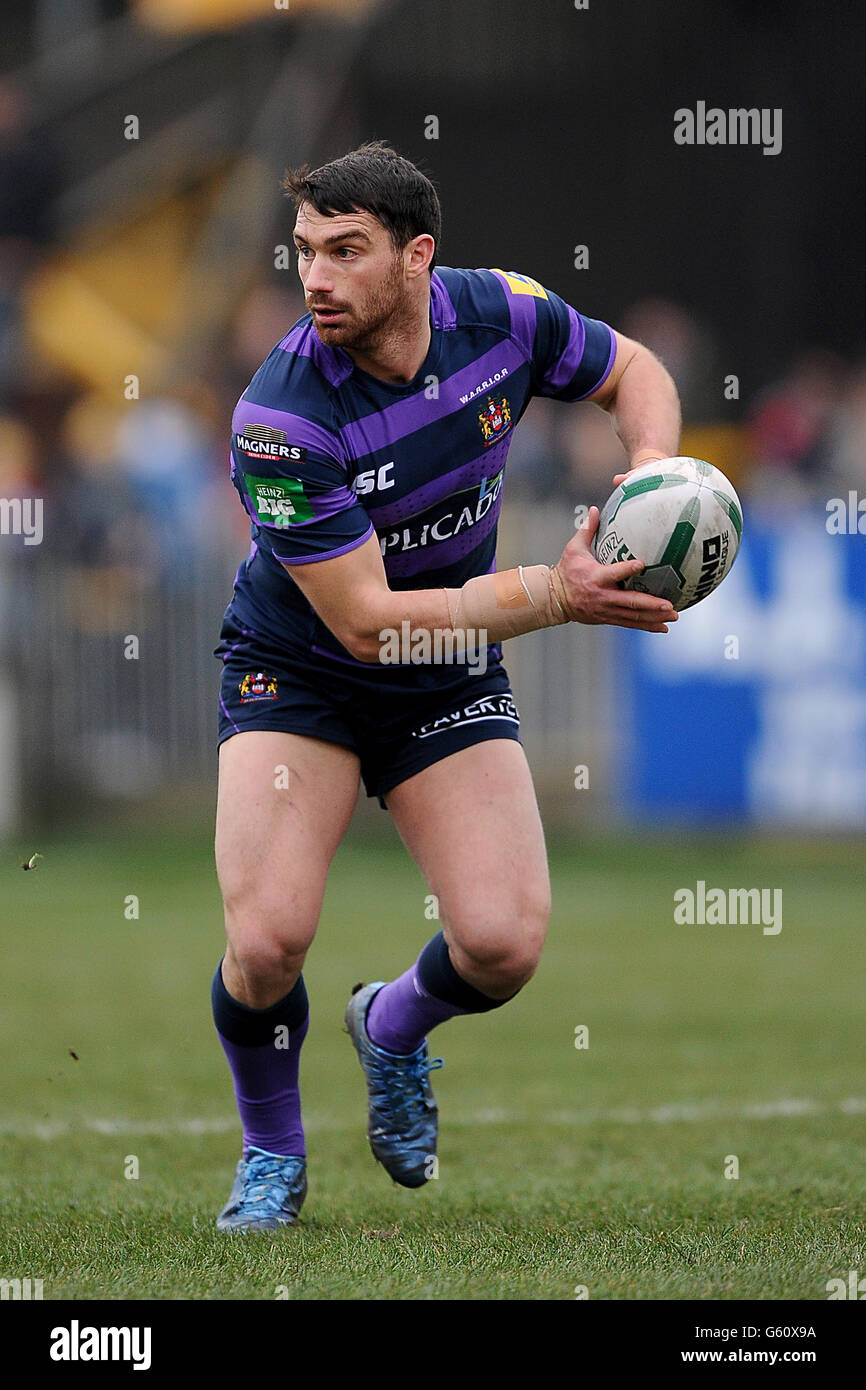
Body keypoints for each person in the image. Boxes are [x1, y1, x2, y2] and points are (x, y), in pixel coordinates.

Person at [211, 141, 681, 1231]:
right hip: (304, 670)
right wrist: (553, 595)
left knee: (503, 943)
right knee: (270, 938)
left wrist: (651, 476)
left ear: (416, 258)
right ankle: (272, 1154)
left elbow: (634, 372)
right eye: (303, 254)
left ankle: (390, 1026)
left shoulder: (504, 316)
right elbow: (368, 625)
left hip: (446, 666)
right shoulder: (279, 419)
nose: (315, 278)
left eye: (344, 251)